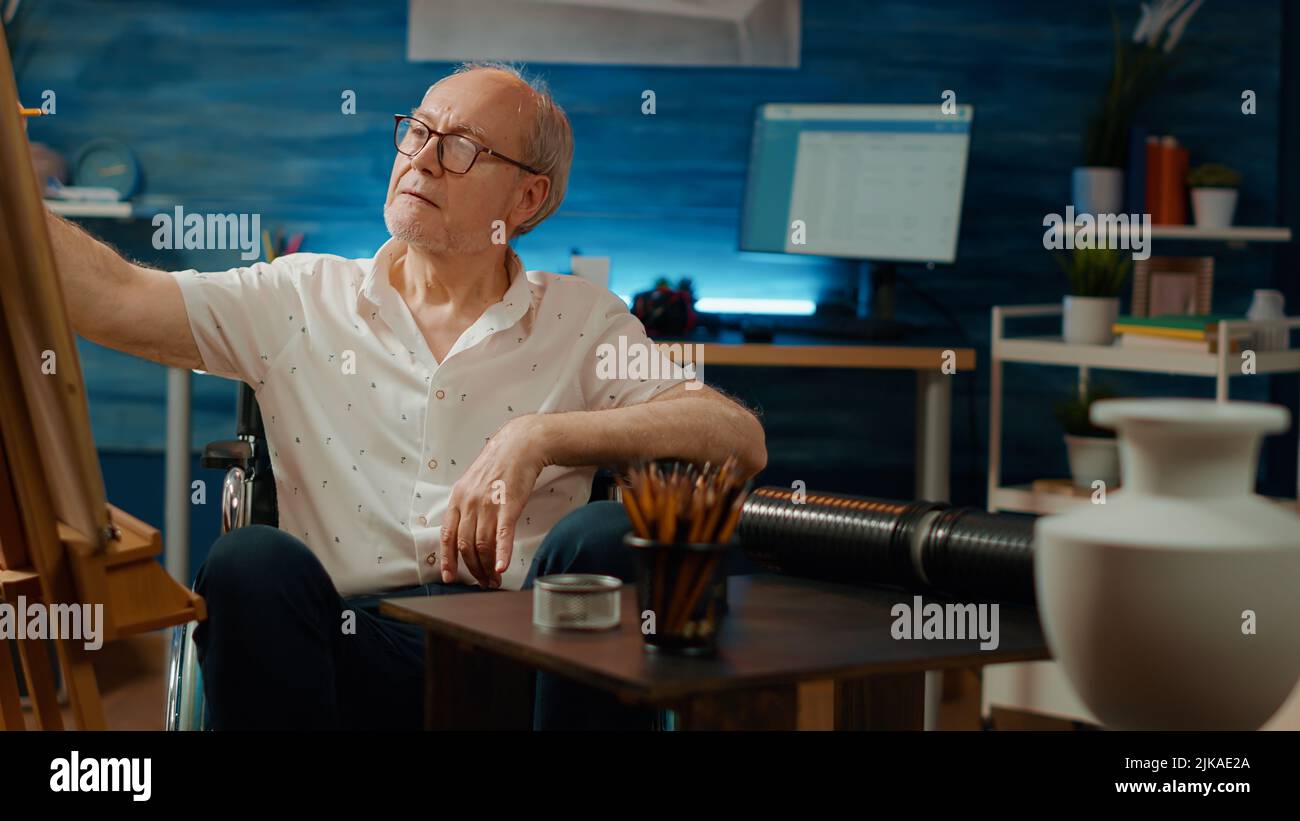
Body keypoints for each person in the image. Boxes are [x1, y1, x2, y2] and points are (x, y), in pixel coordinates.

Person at [40, 61, 766, 729]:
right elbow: (113, 296)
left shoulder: (582, 318)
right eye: (417, 130)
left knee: (607, 534)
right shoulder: (301, 296)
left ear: (527, 196)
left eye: (460, 146)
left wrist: (538, 437)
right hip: (344, 641)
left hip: (528, 657)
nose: (420, 157)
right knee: (247, 562)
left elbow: (735, 437)